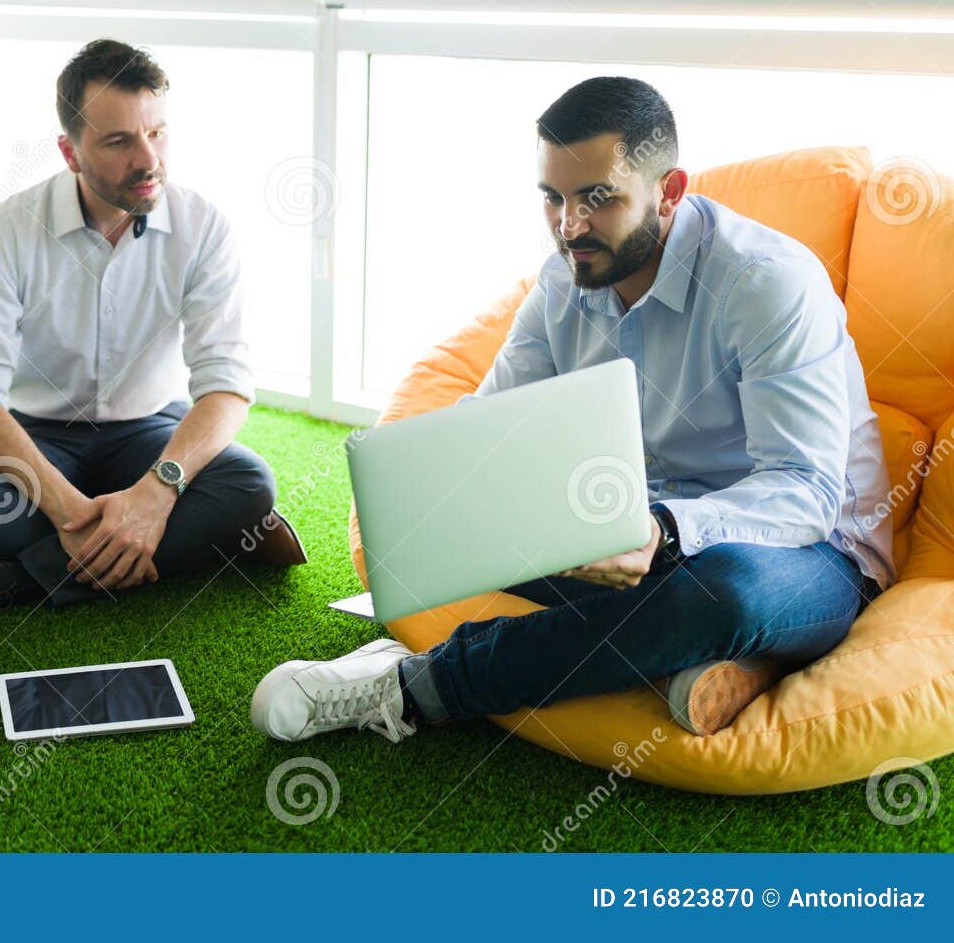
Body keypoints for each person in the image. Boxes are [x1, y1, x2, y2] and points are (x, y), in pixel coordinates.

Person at [252, 76, 893, 745]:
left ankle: (413, 685)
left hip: (811, 554)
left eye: (598, 198)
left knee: (727, 594)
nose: (569, 225)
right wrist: (443, 493)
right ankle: (702, 654)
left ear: (669, 192)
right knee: (483, 531)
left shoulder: (765, 283)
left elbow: (806, 491)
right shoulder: (563, 280)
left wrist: (663, 529)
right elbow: (488, 430)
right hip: (634, 530)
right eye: (553, 197)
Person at [0, 38, 303, 629]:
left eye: (157, 133)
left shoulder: (203, 226)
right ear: (71, 152)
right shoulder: (6, 231)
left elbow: (226, 386)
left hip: (150, 431)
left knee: (248, 484)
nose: (148, 159)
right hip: (39, 434)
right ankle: (203, 539)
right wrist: (67, 512)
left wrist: (156, 494)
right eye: (119, 142)